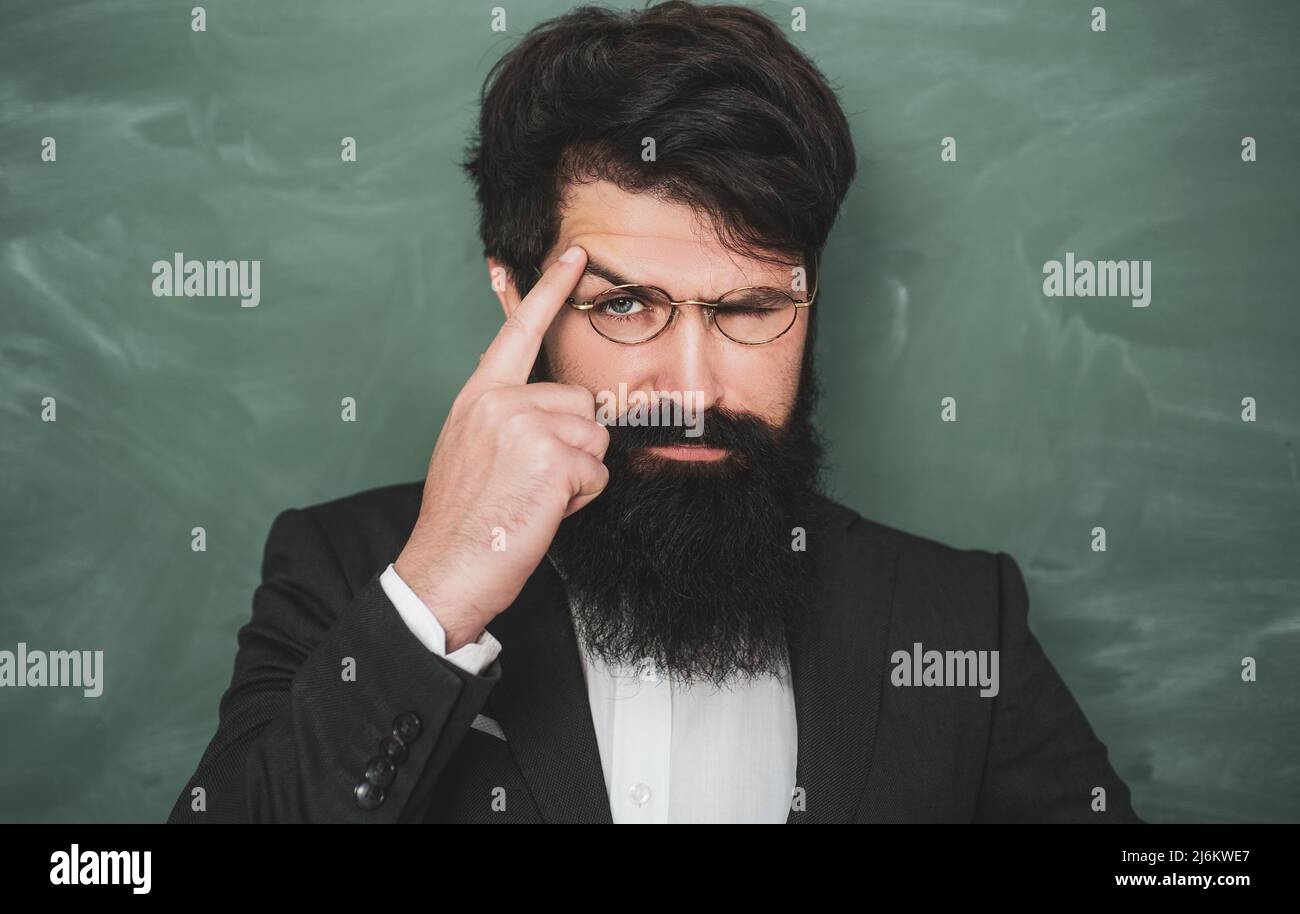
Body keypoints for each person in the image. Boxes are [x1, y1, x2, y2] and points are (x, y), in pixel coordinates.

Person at [168, 0, 1140, 824]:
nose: (693, 384)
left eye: (750, 308)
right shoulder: (344, 569)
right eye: (624, 304)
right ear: (515, 296)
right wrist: (440, 589)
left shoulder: (956, 614)